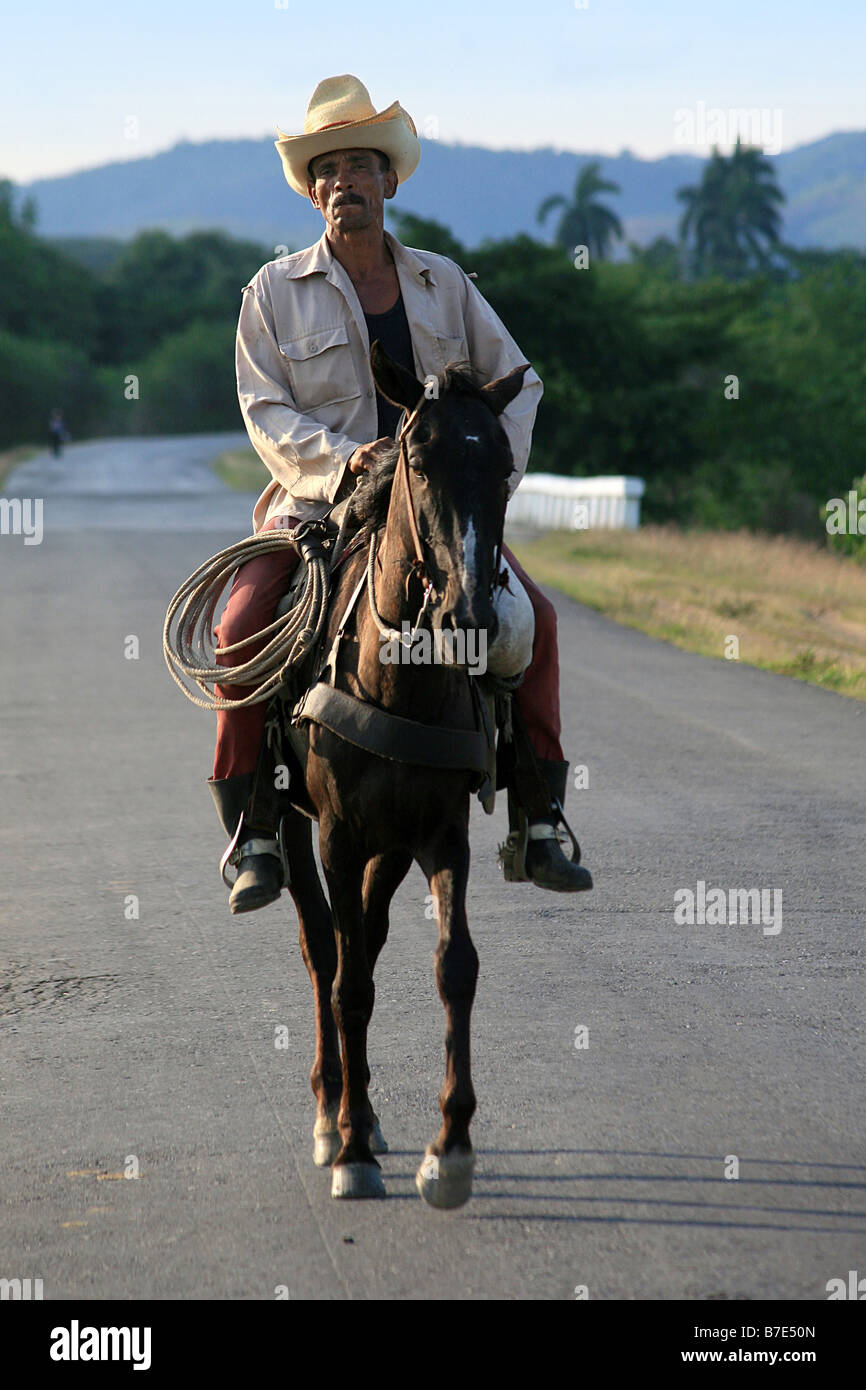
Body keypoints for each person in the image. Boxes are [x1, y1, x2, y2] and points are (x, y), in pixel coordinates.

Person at [210, 74, 592, 912]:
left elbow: (518, 384)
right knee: (239, 630)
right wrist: (344, 463)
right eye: (329, 169)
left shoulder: (444, 284)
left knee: (538, 623)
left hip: (438, 516)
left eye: (361, 164)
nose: (345, 180)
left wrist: (482, 487)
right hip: (317, 512)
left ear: (390, 181)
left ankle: (538, 816)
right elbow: (263, 409)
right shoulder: (271, 292)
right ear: (314, 193)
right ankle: (256, 828)